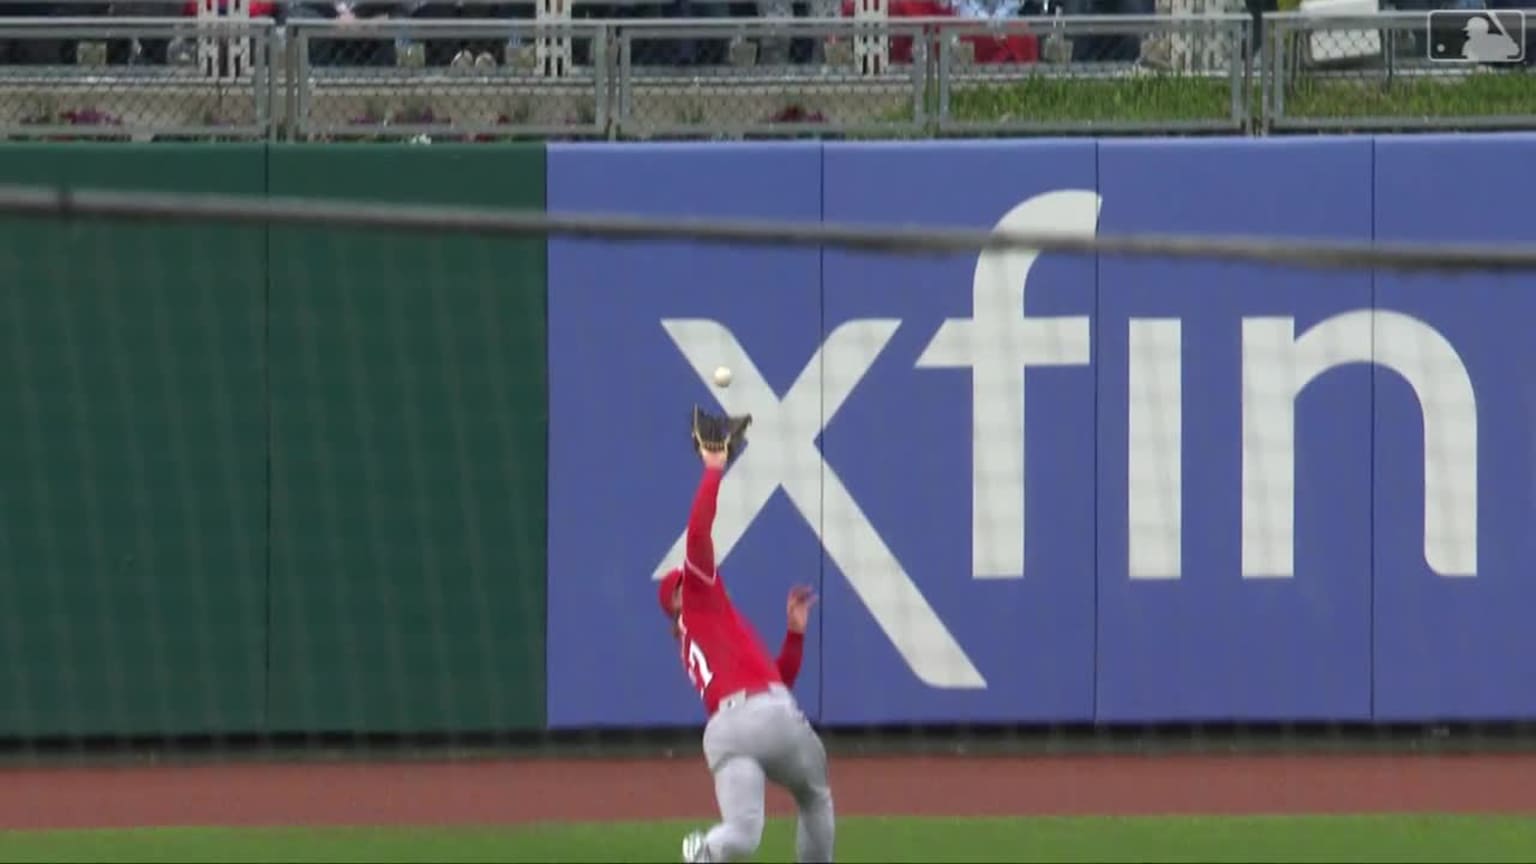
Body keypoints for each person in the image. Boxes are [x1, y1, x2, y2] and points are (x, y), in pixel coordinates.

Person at [658, 446, 836, 863]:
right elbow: (699, 534)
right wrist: (714, 468)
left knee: (741, 833)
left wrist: (794, 635)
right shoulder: (701, 600)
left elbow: (776, 679)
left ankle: (705, 852)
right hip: (767, 715)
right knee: (814, 796)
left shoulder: (699, 636)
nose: (699, 576)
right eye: (687, 580)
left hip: (725, 732)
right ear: (681, 596)